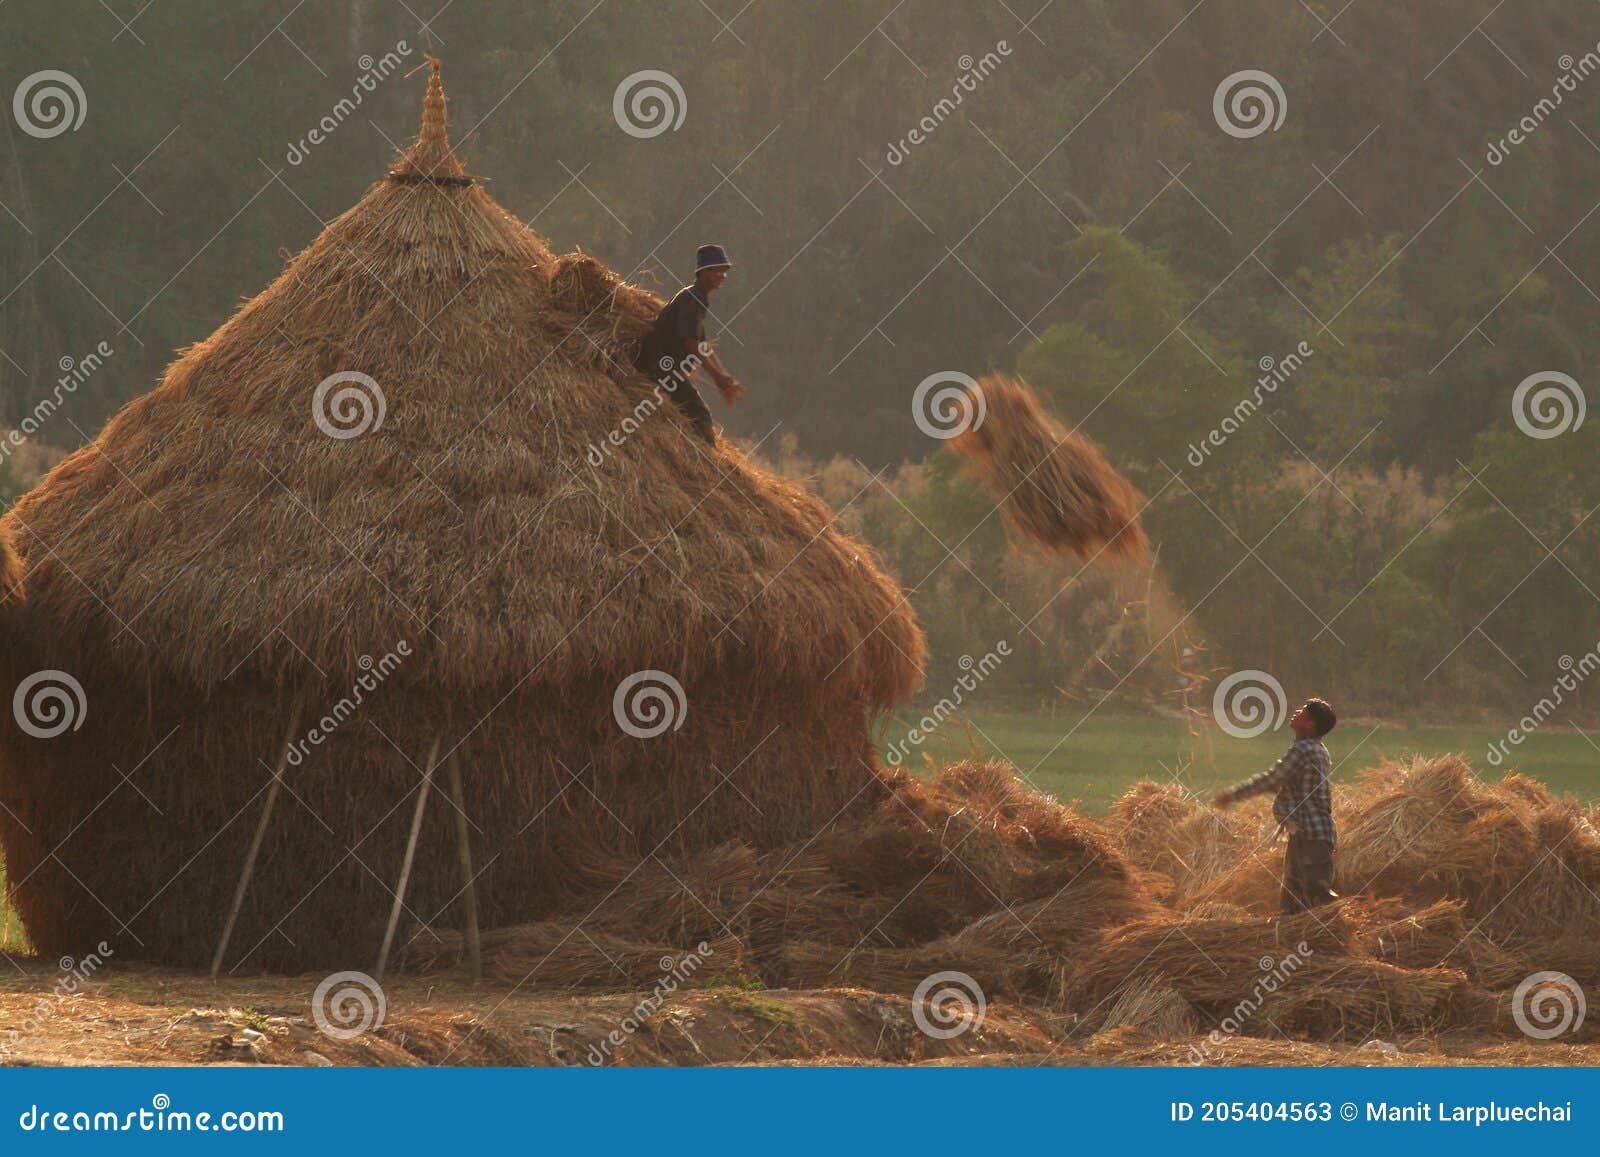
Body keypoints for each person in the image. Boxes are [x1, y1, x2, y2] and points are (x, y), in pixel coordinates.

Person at [1214, 697, 1338, 914]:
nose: (1295, 712)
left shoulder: (1304, 750)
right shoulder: (1315, 749)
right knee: (1293, 898)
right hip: (1304, 832)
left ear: (1309, 724)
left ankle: (1337, 937)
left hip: (1312, 834)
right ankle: (1297, 941)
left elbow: (1273, 779)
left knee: (1318, 897)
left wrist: (1234, 795)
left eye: (1302, 711)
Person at [634, 243, 744, 444]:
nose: (722, 275)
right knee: (699, 413)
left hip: (666, 366)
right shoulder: (691, 300)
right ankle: (706, 461)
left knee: (695, 411)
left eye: (724, 271)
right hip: (660, 365)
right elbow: (691, 345)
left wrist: (724, 377)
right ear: (702, 272)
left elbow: (703, 345)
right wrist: (718, 379)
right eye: (716, 270)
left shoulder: (697, 299)